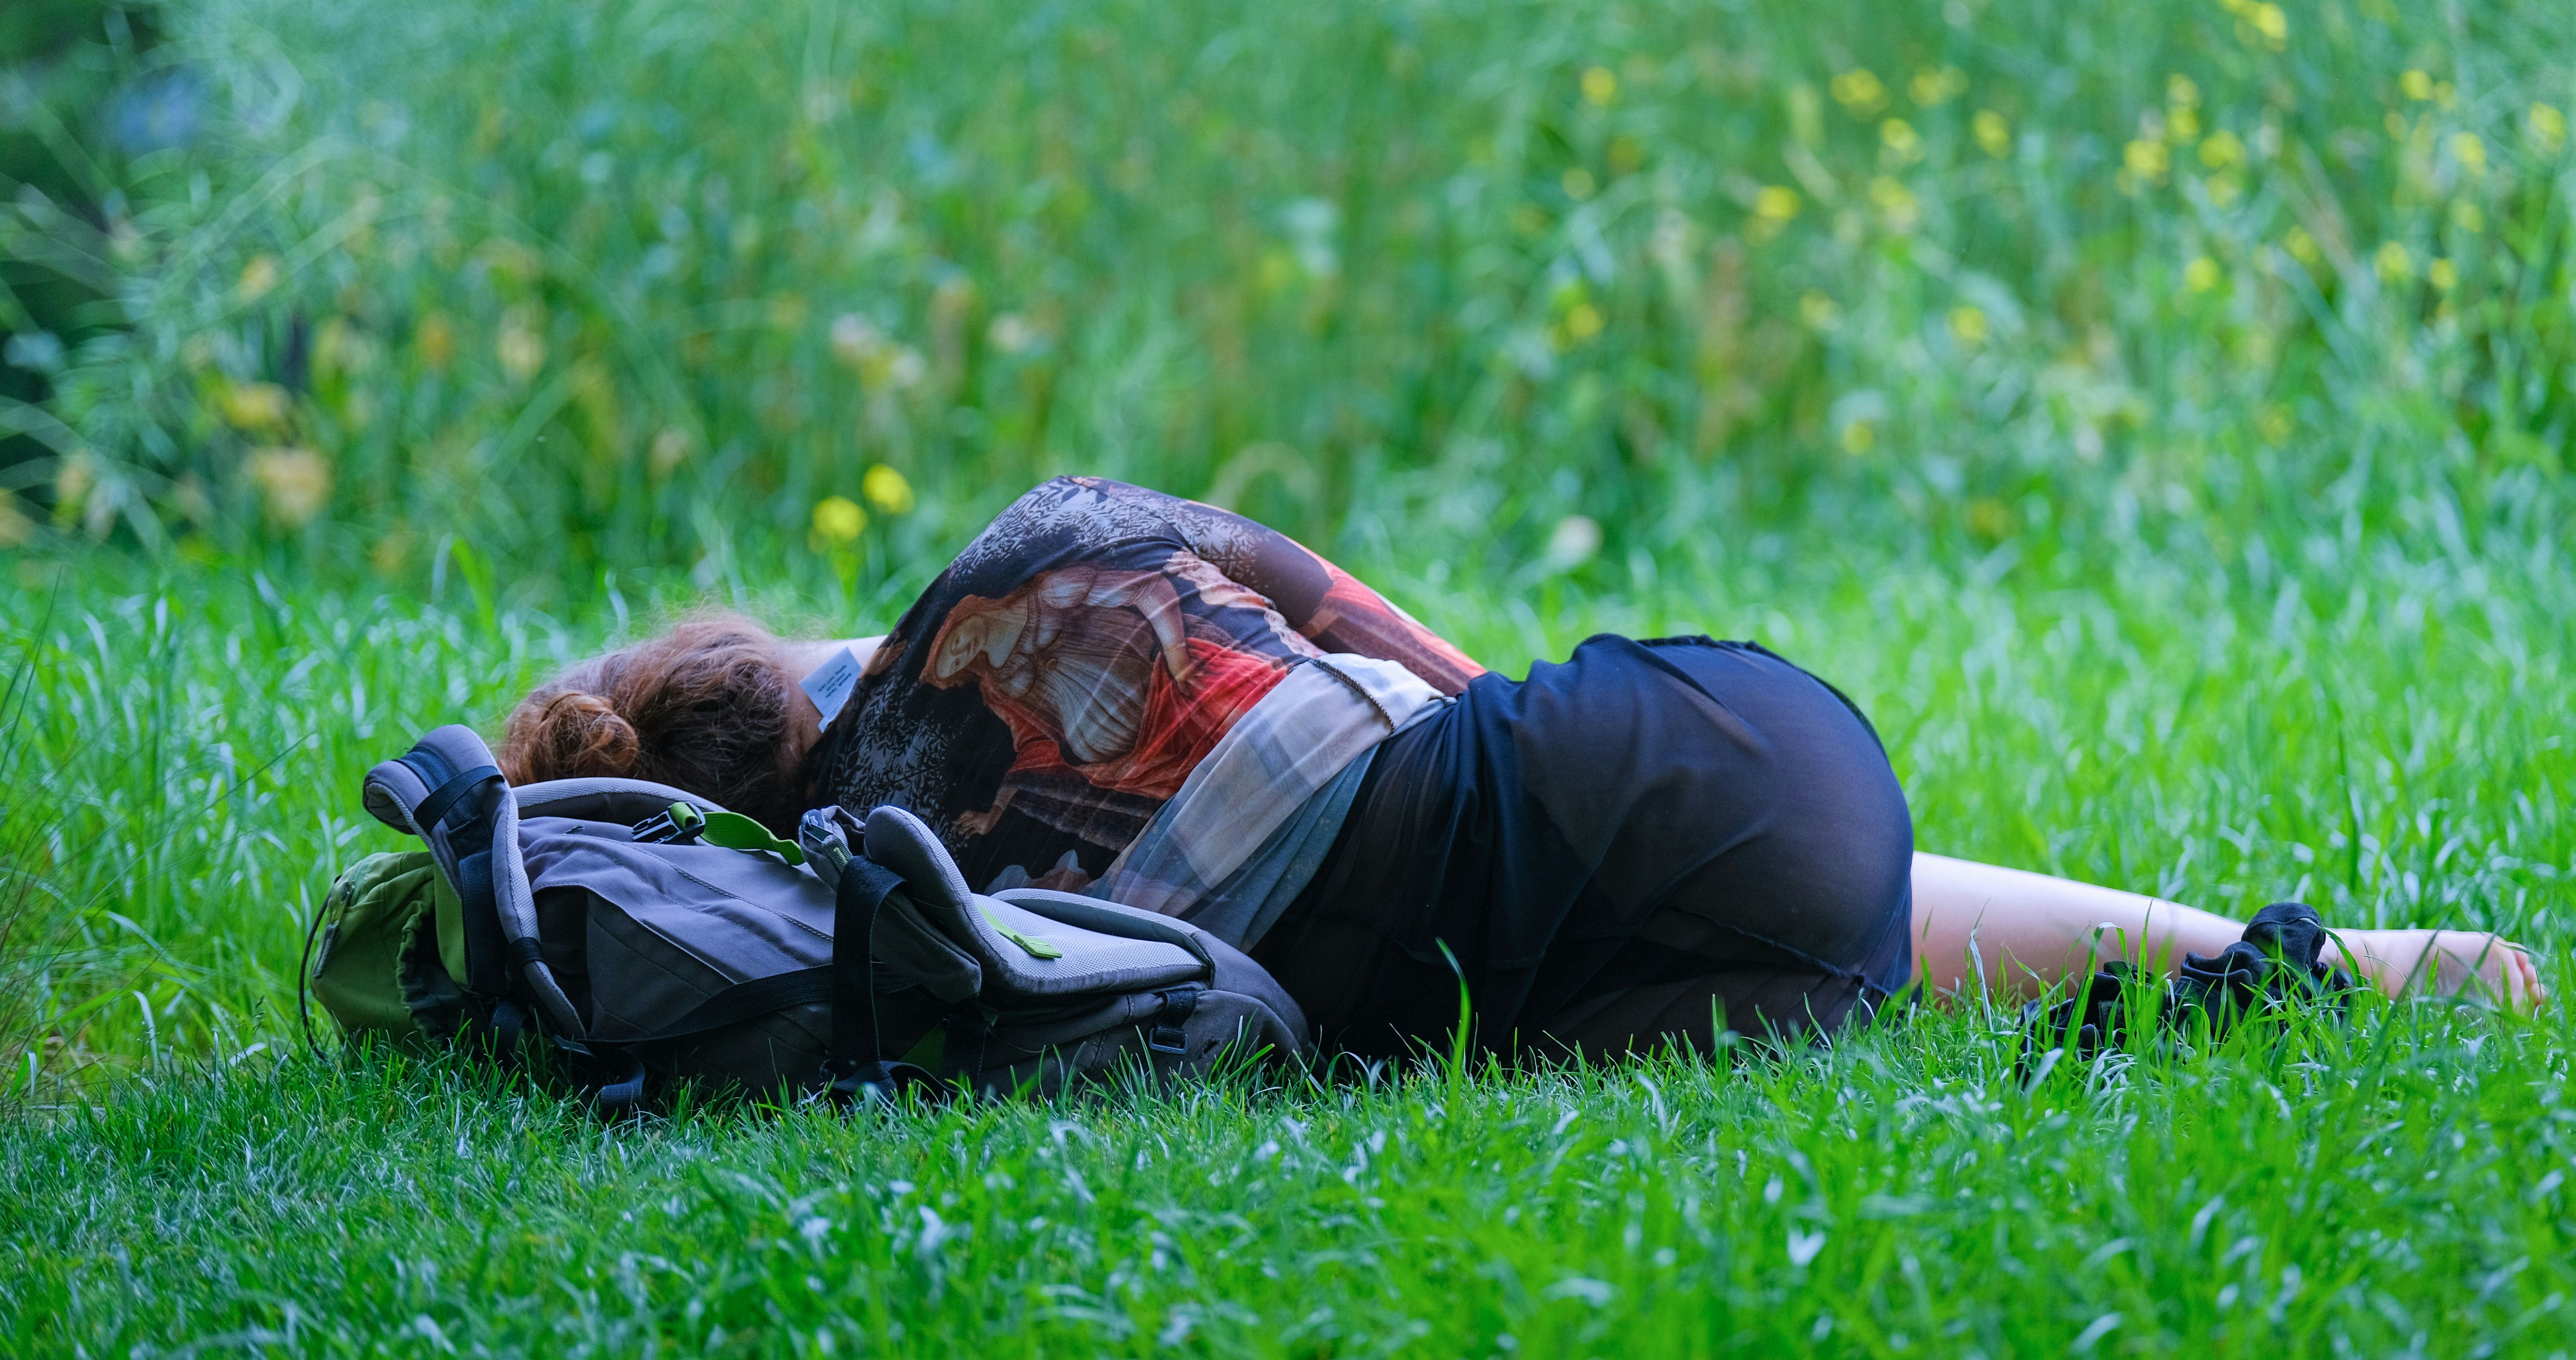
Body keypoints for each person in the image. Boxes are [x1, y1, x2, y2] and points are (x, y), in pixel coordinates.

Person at [502, 476, 2546, 1059]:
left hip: (1615, 975)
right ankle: (2333, 956)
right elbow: (1382, 635)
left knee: (1811, 944)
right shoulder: (1051, 533)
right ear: (770, 655)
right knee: (1786, 866)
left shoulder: (883, 882)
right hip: (1705, 748)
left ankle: (2279, 979)